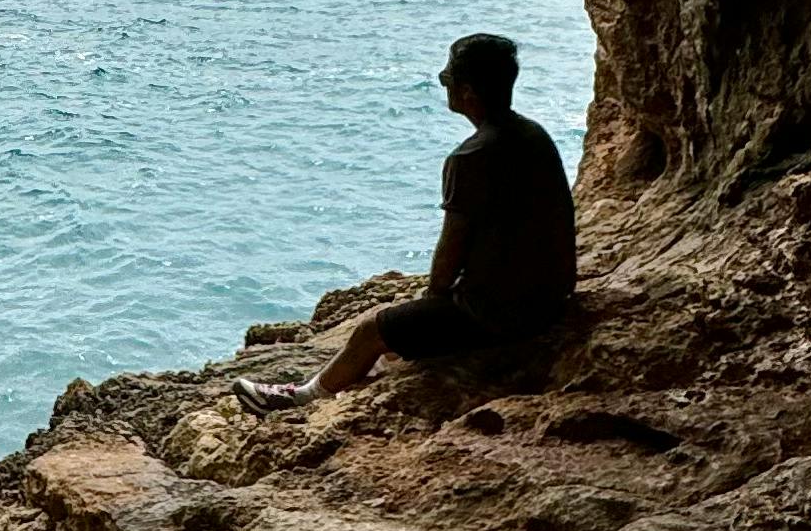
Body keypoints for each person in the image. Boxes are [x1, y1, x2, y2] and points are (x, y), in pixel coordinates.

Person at [239, 32, 576, 406]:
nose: (443, 82)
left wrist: (433, 303)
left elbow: (452, 246)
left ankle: (303, 397)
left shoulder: (470, 158)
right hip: (551, 299)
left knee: (371, 330)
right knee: (400, 335)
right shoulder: (533, 135)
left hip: (502, 316)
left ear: (467, 93)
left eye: (446, 78)